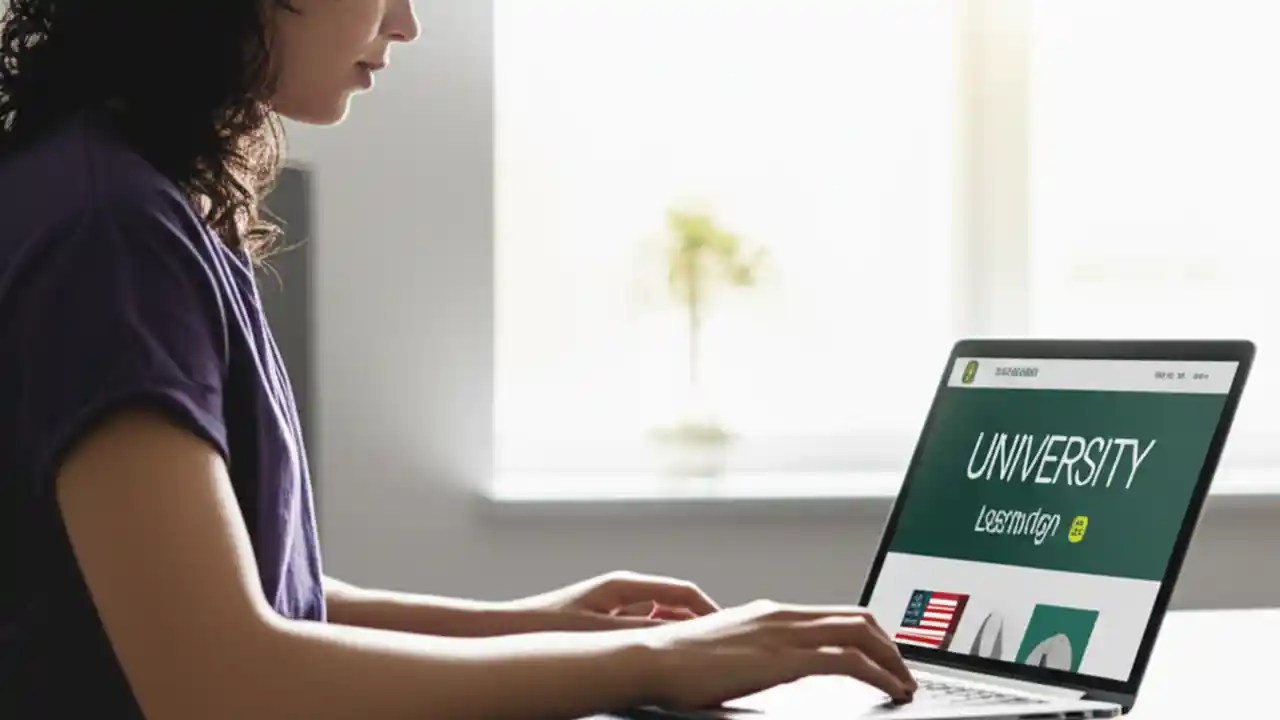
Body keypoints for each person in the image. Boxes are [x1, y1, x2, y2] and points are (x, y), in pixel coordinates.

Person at [0, 1, 916, 717]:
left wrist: (537, 626)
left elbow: (260, 599)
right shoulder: (109, 233)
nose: (406, 22)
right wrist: (651, 660)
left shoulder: (127, 194)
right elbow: (219, 680)